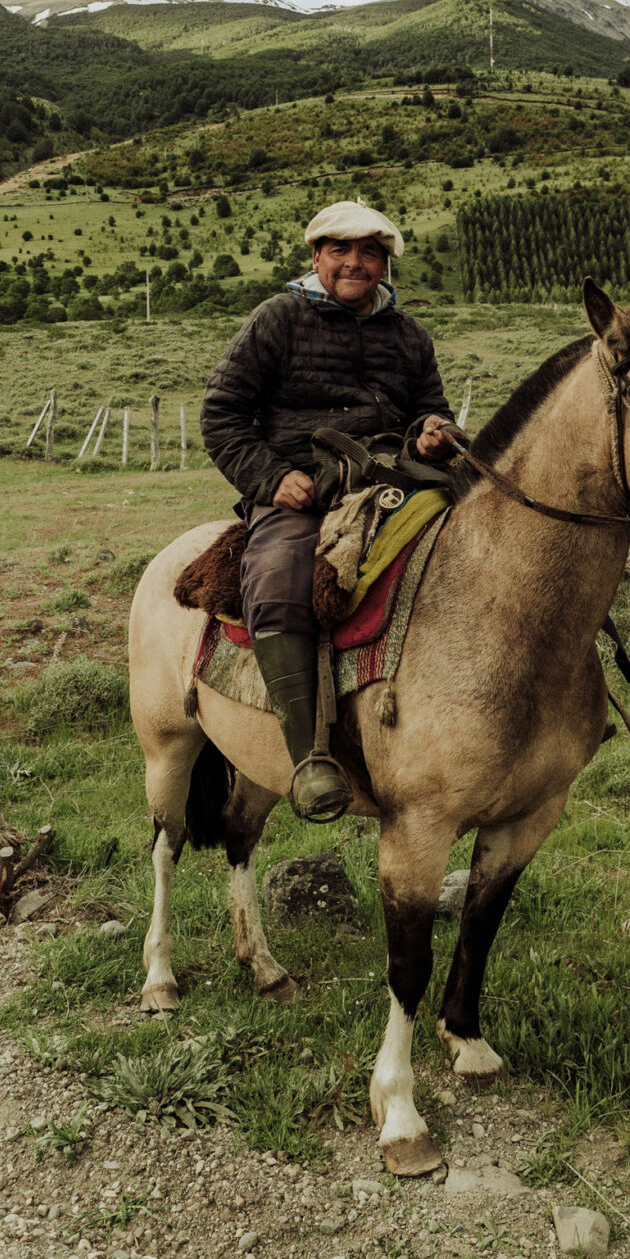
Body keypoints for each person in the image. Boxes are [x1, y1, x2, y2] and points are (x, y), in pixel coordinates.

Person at [201, 199, 455, 818]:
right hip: (303, 486)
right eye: (340, 250)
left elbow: (429, 406)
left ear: (384, 264)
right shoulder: (278, 319)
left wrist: (430, 431)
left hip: (394, 475)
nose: (355, 263)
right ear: (316, 256)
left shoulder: (408, 334)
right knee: (281, 575)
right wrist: (270, 477)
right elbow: (222, 414)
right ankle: (310, 757)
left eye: (370, 253)